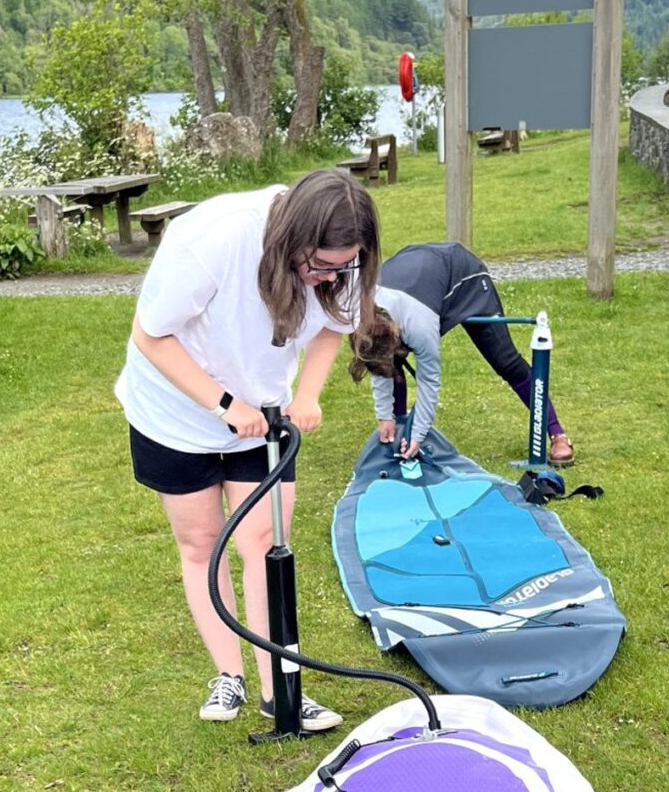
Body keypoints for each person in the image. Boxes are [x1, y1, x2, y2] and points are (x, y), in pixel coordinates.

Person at [117, 167, 380, 725]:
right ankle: (228, 676)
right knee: (201, 543)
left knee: (263, 542)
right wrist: (223, 405)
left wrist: (306, 395)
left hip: (262, 415)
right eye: (320, 265)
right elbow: (150, 335)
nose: (330, 278)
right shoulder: (214, 239)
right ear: (292, 238)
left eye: (343, 267)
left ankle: (277, 690)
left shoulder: (343, 259)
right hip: (173, 412)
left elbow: (332, 327)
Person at [348, 240, 575, 464]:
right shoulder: (363, 313)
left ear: (397, 331)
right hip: (421, 277)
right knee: (389, 361)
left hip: (465, 278)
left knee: (506, 362)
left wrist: (418, 435)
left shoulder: (419, 326)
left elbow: (429, 381)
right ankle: (399, 432)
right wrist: (385, 417)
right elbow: (379, 365)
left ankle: (557, 434)